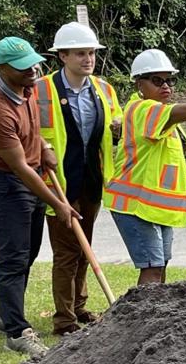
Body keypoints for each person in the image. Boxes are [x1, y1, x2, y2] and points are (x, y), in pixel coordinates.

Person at [0, 36, 79, 357]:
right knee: (13, 259)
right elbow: (19, 167)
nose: (33, 71)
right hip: (5, 186)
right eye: (22, 68)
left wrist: (45, 148)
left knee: (28, 254)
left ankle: (4, 314)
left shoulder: (27, 88)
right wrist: (57, 203)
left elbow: (31, 136)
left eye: (34, 63)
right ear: (1, 69)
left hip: (29, 179)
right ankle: (16, 332)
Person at [104, 49, 186, 285]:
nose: (165, 86)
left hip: (154, 209)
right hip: (134, 205)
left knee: (160, 265)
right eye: (157, 80)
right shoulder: (142, 109)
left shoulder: (163, 117)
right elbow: (173, 113)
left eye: (169, 80)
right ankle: (142, 317)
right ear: (139, 84)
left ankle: (157, 317)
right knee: (152, 268)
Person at [32, 21, 122, 335]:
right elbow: (27, 129)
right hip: (56, 183)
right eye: (80, 53)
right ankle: (64, 320)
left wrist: (118, 129)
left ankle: (80, 306)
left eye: (91, 53)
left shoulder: (103, 89)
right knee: (66, 252)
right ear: (63, 56)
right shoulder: (41, 89)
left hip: (91, 181)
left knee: (85, 247)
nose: (88, 59)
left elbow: (115, 123)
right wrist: (43, 146)